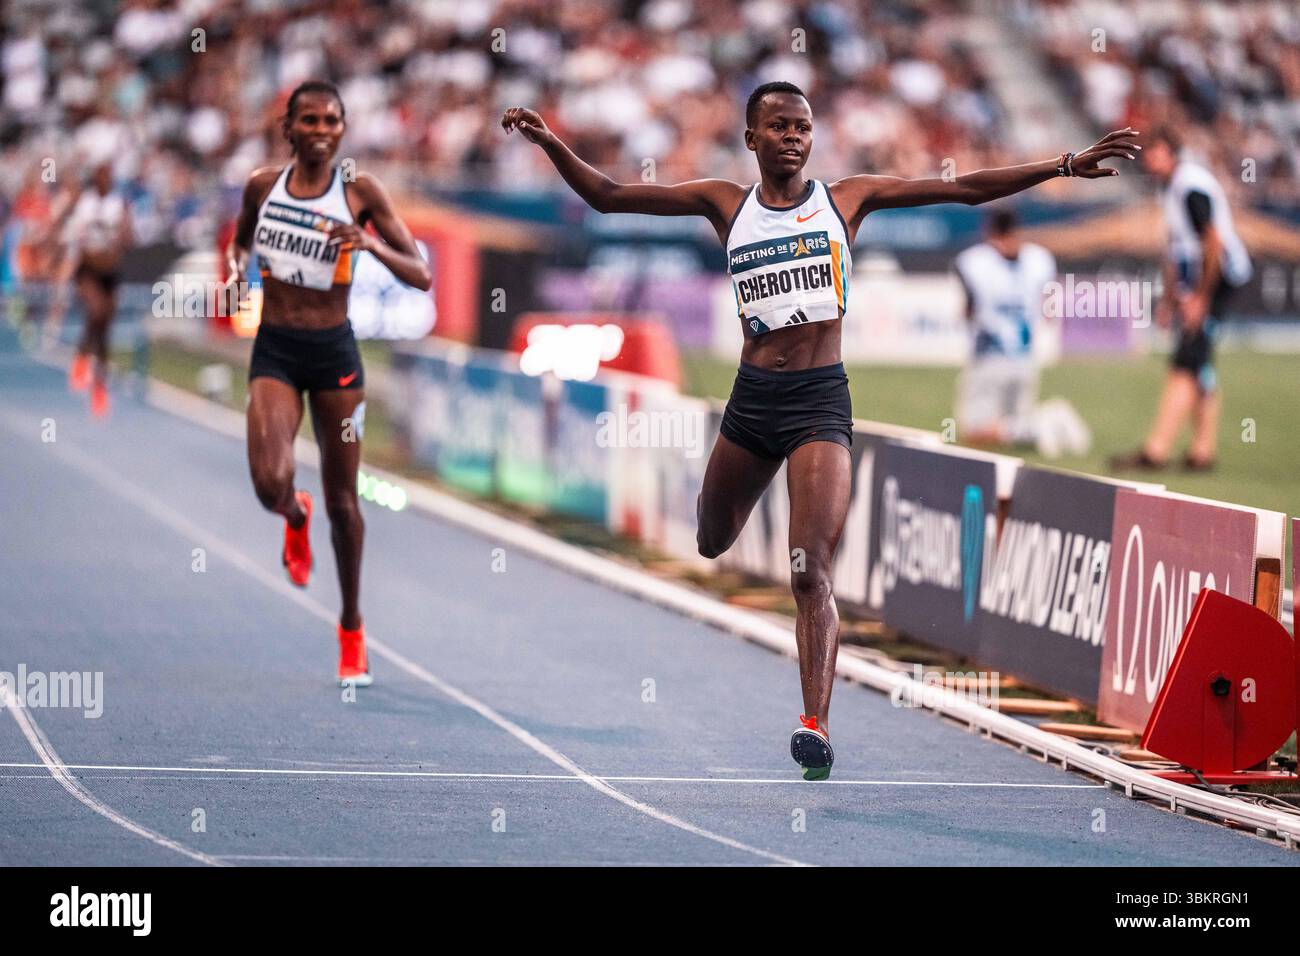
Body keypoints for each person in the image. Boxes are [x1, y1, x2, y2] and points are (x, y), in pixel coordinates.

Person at [502, 82, 1139, 779]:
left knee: (810, 569)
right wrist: (549, 142)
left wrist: (1063, 164)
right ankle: (745, 566)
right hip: (753, 403)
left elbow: (962, 191)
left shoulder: (848, 199)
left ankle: (816, 724)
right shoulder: (724, 203)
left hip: (819, 403)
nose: (793, 137)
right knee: (711, 539)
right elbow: (609, 196)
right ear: (752, 140)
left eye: (802, 126)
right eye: (777, 127)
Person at [226, 80, 432, 686]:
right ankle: (294, 514)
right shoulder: (262, 186)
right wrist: (239, 275)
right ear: (287, 129)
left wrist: (368, 242)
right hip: (277, 350)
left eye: (331, 121)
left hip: (335, 356)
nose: (320, 130)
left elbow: (420, 273)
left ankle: (350, 626)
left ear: (343, 130)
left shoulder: (360, 192)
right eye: (308, 121)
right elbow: (240, 245)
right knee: (269, 483)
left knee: (345, 504)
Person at [1109, 127, 1251, 473]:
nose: (1149, 160)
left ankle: (1155, 451)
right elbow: (1174, 249)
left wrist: (1201, 298)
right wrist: (1170, 301)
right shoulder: (1171, 187)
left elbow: (1213, 243)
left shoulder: (1190, 187)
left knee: (1185, 362)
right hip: (1201, 279)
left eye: (1155, 152)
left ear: (1172, 153)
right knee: (1199, 364)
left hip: (1217, 278)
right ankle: (1202, 450)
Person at [953, 208, 1057, 449]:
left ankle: (1046, 426)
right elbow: (1048, 308)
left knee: (975, 431)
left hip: (989, 356)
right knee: (1012, 429)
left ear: (989, 230)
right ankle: (1036, 427)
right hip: (1024, 357)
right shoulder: (1039, 259)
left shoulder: (973, 261)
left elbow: (969, 308)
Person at [49, 161, 132, 418]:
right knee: (96, 311)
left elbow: (127, 238)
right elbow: (74, 236)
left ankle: (99, 387)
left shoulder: (118, 205)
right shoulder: (85, 203)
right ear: (95, 179)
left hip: (110, 272)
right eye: (101, 176)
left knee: (105, 328)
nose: (105, 181)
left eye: (109, 176)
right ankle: (82, 357)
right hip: (87, 270)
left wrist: (121, 234)